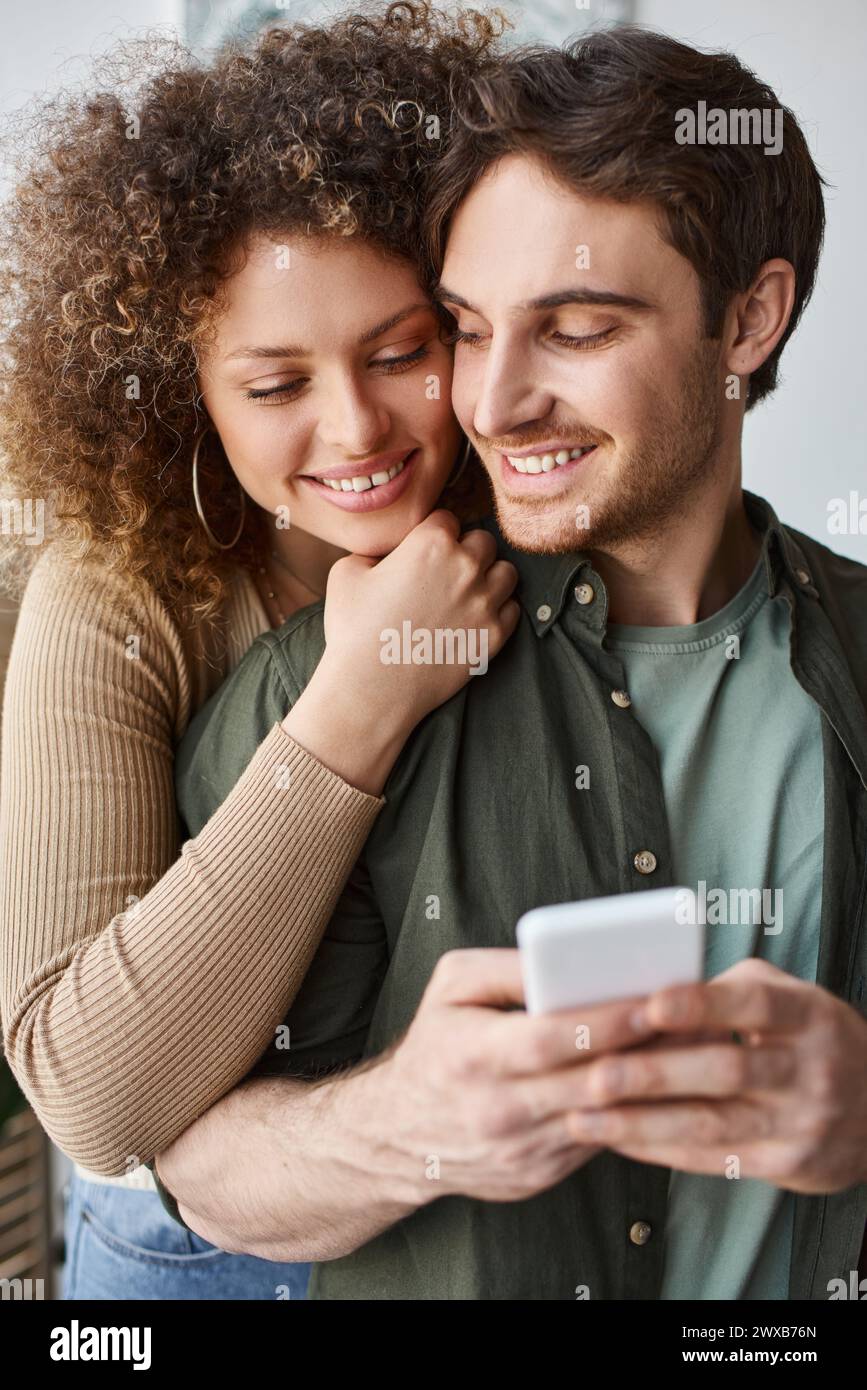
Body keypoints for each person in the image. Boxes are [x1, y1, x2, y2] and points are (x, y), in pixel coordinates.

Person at [153, 27, 867, 1300]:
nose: (490, 405)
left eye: (577, 330)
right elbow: (194, 1171)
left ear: (749, 318)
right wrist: (400, 1125)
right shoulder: (331, 686)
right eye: (469, 330)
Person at [0, 4, 517, 1300]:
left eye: (401, 353)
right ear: (190, 386)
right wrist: (360, 698)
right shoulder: (116, 593)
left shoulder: (536, 508)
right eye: (276, 385)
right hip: (193, 1258)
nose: (356, 428)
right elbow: (92, 1092)